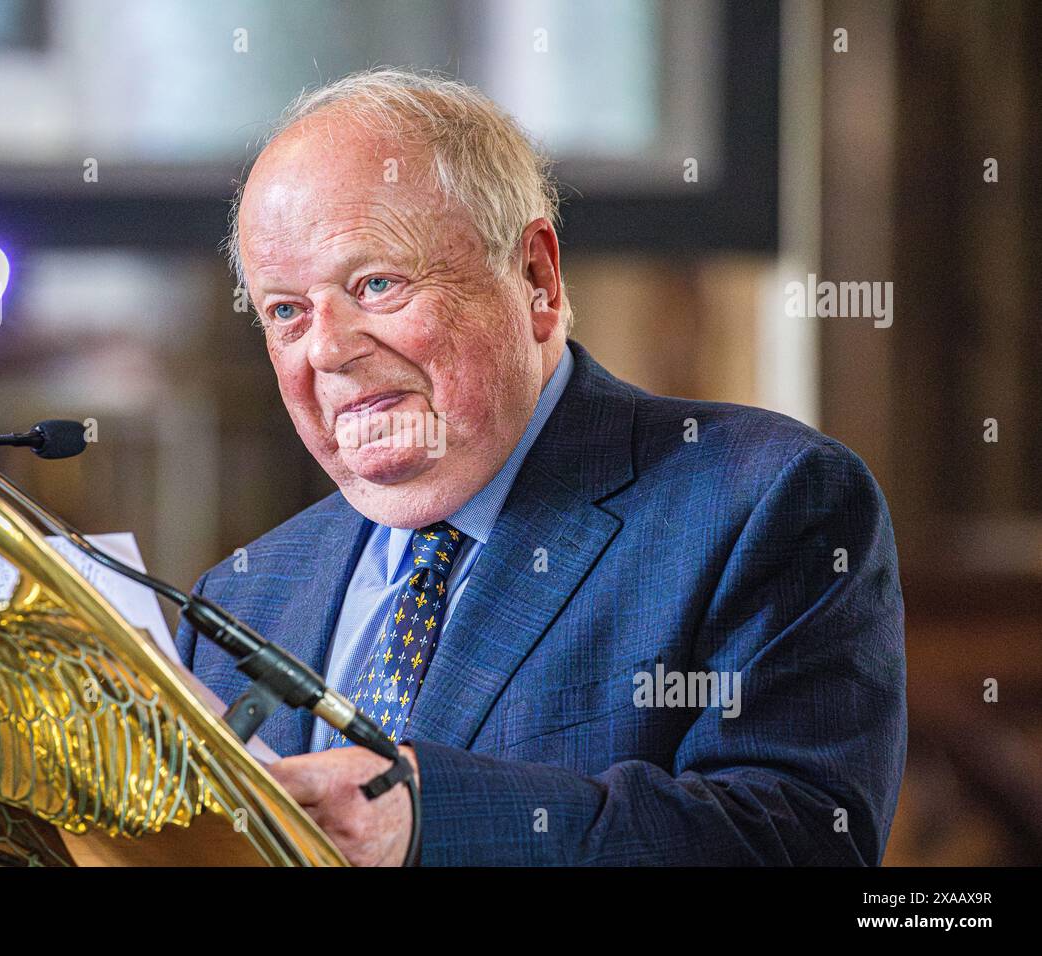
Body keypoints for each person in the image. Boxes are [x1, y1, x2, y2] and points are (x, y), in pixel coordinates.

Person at [174, 68, 906, 866]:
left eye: (376, 284)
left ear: (537, 280)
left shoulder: (763, 501)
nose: (326, 348)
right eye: (286, 311)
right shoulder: (240, 596)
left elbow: (795, 845)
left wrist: (431, 821)